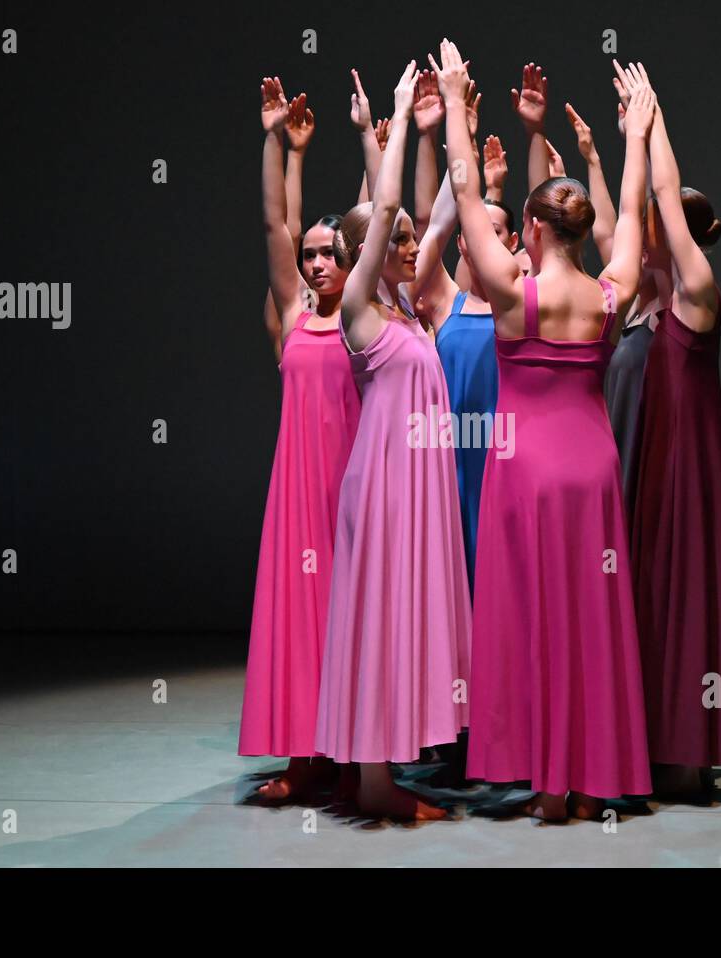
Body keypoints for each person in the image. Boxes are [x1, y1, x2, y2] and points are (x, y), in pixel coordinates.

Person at [436, 39, 654, 821]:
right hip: (589, 467)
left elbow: (464, 194)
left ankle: (545, 785)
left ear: (529, 227)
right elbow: (632, 213)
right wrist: (637, 135)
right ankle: (593, 777)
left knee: (528, 616)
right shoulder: (609, 294)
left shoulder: (506, 288)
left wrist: (462, 106)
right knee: (588, 620)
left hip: (522, 471)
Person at [314, 61, 471, 822]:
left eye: (408, 240)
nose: (410, 245)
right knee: (378, 617)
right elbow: (383, 212)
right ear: (368, 255)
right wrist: (400, 114)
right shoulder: (358, 311)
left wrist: (452, 124)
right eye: (395, 242)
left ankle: (381, 776)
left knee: (404, 617)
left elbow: (439, 212)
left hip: (416, 486)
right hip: (382, 488)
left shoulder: (407, 306)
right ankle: (375, 788)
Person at [618, 60, 721, 799]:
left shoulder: (699, 292)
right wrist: (632, 138)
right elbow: (650, 202)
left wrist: (654, 119)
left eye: (659, 231)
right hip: (659, 464)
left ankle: (689, 749)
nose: (650, 235)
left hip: (691, 474)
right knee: (654, 594)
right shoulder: (654, 307)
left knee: (690, 594)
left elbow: (665, 198)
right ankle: (662, 743)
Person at [239, 80, 362, 803]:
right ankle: (303, 758)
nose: (316, 263)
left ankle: (351, 757)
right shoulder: (292, 314)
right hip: (296, 495)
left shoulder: (364, 317)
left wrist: (372, 143)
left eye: (329, 254)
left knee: (347, 618)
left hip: (348, 489)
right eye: (310, 255)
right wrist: (280, 144)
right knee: (297, 623)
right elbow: (273, 225)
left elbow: (374, 220)